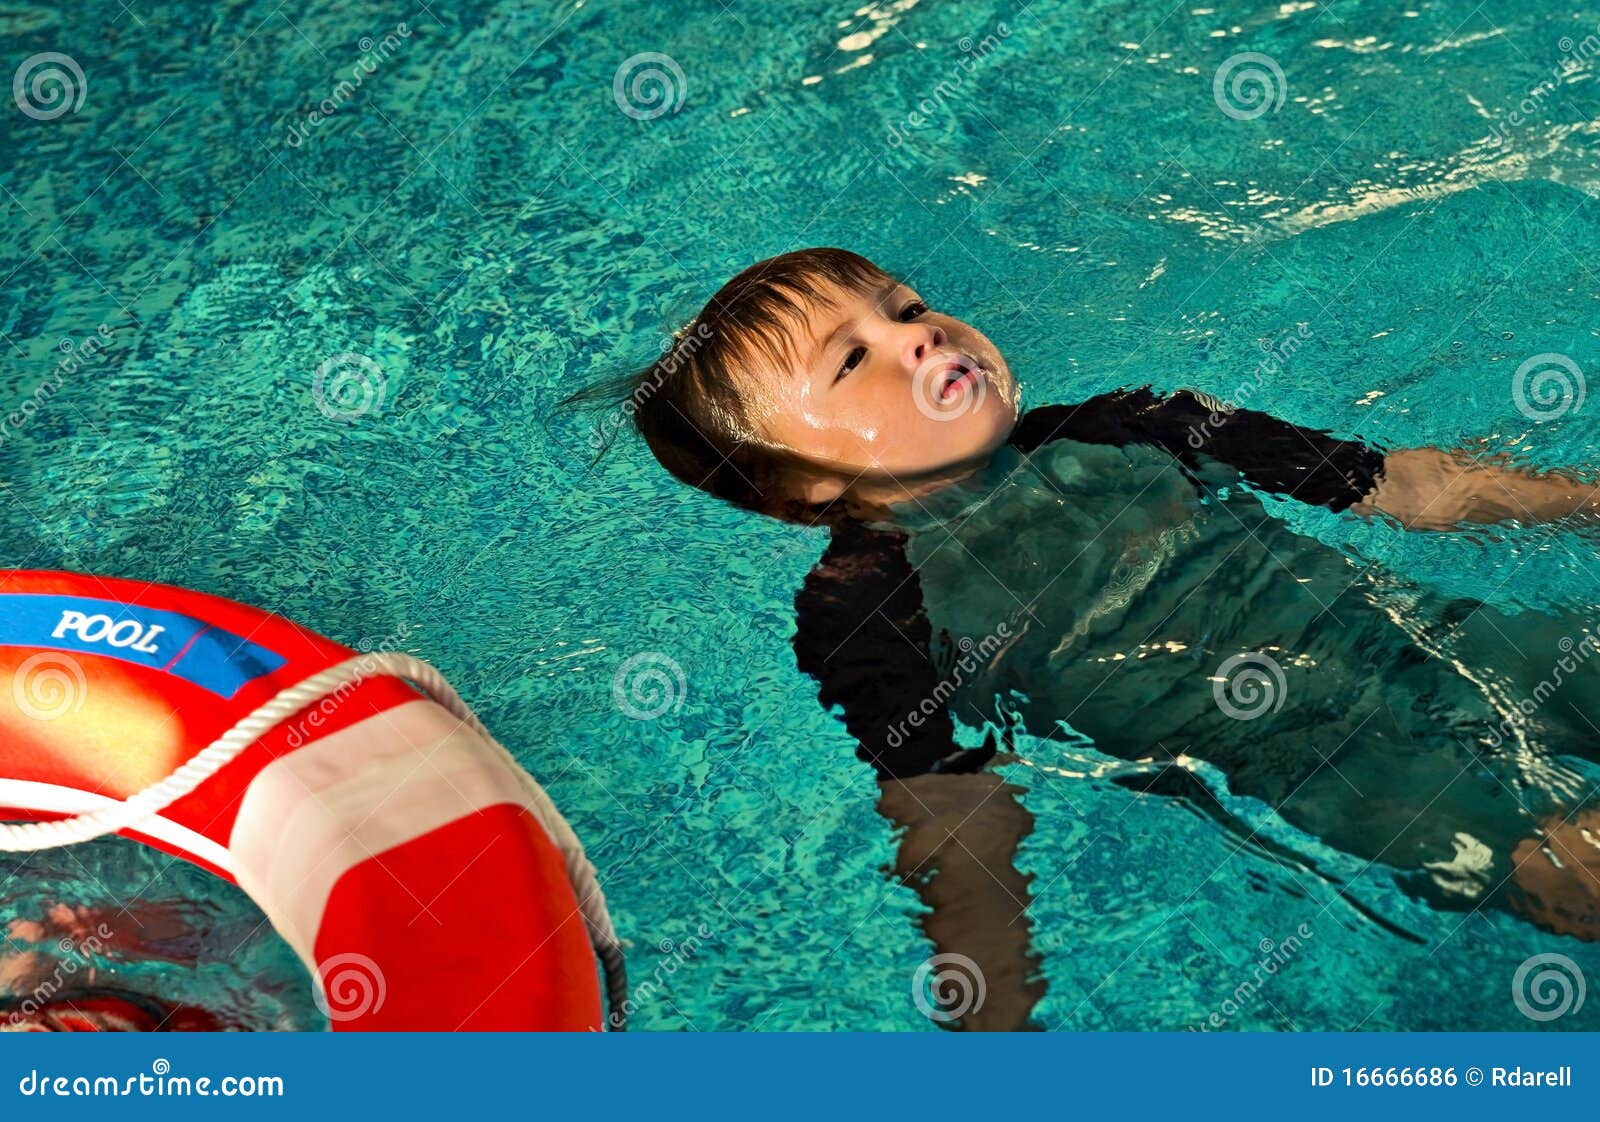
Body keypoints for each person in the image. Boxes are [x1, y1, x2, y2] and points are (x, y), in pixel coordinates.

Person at [596, 246, 1600, 1030]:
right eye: (852, 359)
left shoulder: (1138, 424)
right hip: (1320, 763)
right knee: (1562, 867)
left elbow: (1408, 489)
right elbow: (954, 814)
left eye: (906, 308)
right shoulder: (867, 614)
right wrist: (997, 1021)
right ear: (799, 487)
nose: (919, 337)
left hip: (1421, 639)